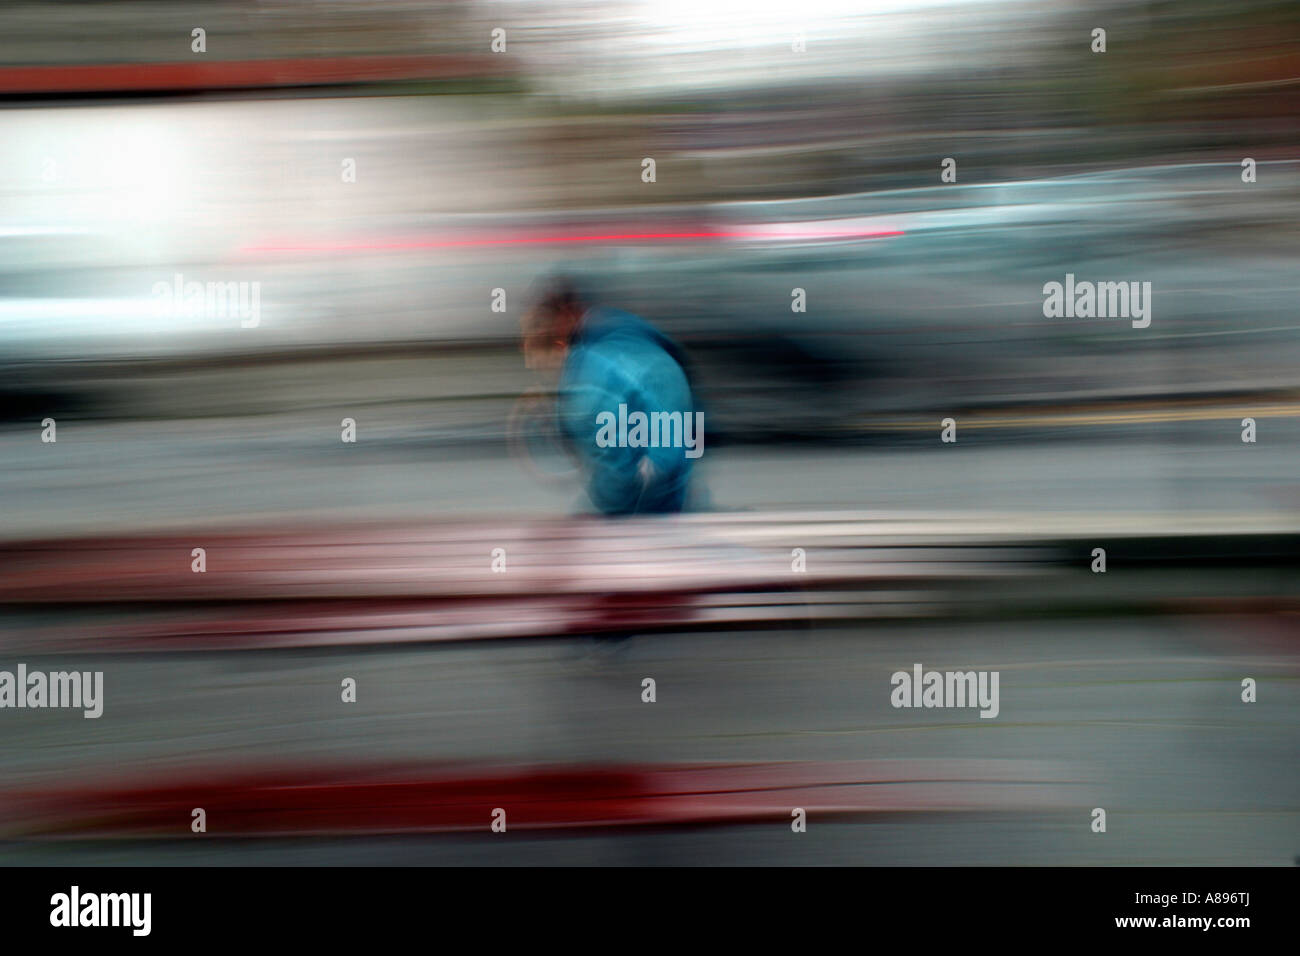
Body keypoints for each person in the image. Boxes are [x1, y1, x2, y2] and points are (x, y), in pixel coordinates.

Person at [521, 276, 701, 516]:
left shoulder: (591, 366)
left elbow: (615, 461)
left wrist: (607, 510)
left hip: (653, 484)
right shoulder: (618, 327)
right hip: (675, 460)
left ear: (564, 315)